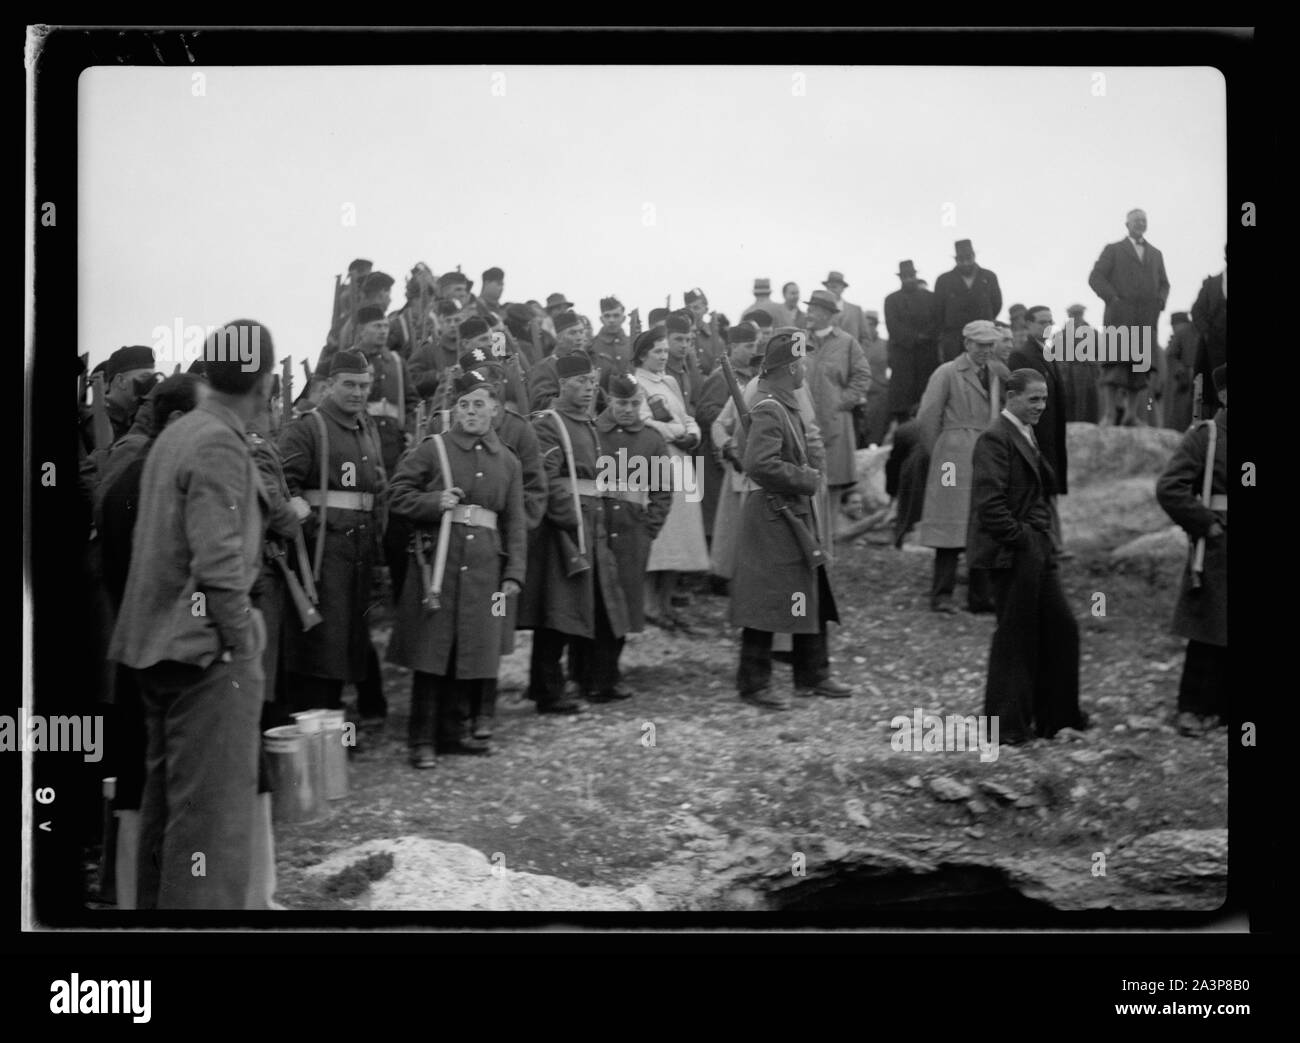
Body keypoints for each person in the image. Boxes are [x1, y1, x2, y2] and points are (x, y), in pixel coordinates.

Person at [107, 321, 276, 908]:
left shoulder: (178, 436)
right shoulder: (219, 445)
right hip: (206, 660)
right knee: (212, 831)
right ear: (264, 384)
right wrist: (244, 645)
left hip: (155, 653)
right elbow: (220, 563)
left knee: (168, 816)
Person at [387, 368, 527, 765]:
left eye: (478, 404)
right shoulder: (435, 449)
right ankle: (421, 741)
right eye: (463, 404)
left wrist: (515, 571)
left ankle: (452, 733)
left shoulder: (509, 463)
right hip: (439, 564)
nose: (470, 411)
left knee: (470, 650)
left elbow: (515, 522)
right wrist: (433, 503)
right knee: (432, 654)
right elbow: (397, 495)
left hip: (484, 567)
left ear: (495, 410)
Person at [729, 331, 853, 709]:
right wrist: (806, 479)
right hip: (773, 514)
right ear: (789, 368)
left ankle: (812, 673)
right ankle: (754, 683)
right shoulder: (770, 407)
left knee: (807, 590)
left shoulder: (781, 402)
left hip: (786, 513)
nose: (805, 371)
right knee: (765, 600)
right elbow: (756, 463)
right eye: (800, 364)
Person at [970, 367, 1086, 744]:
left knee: (1062, 628)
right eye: (1033, 399)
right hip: (1012, 552)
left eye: (1045, 399)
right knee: (1015, 636)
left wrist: (1039, 536)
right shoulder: (994, 438)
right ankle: (1005, 727)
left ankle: (1058, 718)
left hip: (1035, 548)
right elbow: (989, 506)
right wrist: (1023, 538)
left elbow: (1038, 490)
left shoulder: (1025, 433)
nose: (1041, 406)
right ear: (1011, 396)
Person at [278, 349, 387, 716]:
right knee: (323, 642)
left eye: (364, 385)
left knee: (350, 639)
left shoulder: (365, 427)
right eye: (349, 385)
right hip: (322, 552)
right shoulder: (308, 427)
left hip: (359, 549)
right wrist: (301, 513)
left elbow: (377, 490)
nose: (358, 392)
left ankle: (338, 723)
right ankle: (318, 724)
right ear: (328, 385)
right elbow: (282, 484)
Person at [518, 353, 629, 712]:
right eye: (580, 383)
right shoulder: (548, 424)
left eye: (592, 383)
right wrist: (569, 518)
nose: (588, 390)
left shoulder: (589, 424)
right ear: (562, 385)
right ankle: (547, 691)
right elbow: (544, 478)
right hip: (562, 530)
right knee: (557, 610)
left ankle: (594, 680)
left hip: (591, 524)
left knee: (595, 604)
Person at [591, 373, 674, 698]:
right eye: (620, 403)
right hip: (595, 531)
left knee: (622, 606)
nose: (627, 409)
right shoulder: (592, 433)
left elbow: (663, 490)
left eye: (633, 403)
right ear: (608, 400)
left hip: (631, 533)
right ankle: (584, 677)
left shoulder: (651, 440)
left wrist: (649, 528)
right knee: (595, 604)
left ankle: (608, 677)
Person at [1155, 365, 1227, 737]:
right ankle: (1191, 709)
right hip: (1217, 543)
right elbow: (1170, 488)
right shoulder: (1205, 436)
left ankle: (1221, 709)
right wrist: (1205, 523)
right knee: (1207, 627)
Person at [916, 320, 1005, 613]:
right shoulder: (947, 373)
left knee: (982, 523)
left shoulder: (994, 374)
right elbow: (927, 417)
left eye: (990, 345)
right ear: (967, 344)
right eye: (981, 345)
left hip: (983, 455)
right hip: (952, 458)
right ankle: (942, 595)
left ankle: (981, 597)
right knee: (949, 523)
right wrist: (940, 453)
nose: (986, 351)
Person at [631, 327, 709, 629]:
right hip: (655, 463)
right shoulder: (636, 384)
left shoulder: (671, 382)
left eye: (665, 351)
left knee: (683, 534)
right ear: (642, 356)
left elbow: (688, 417)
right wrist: (679, 433)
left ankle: (665, 602)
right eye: (657, 352)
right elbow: (645, 421)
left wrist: (693, 433)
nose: (664, 357)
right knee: (660, 534)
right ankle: (650, 604)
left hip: (682, 460)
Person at [1088, 208, 1170, 426]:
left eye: (1144, 220)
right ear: (1127, 225)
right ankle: (1109, 414)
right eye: (1136, 221)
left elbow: (1164, 283)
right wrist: (1112, 298)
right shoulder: (1114, 249)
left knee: (1139, 369)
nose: (1140, 224)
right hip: (1120, 318)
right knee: (1114, 366)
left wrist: (1159, 303)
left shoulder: (1155, 253)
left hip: (1146, 319)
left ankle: (1131, 415)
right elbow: (1095, 277)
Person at [1009, 305, 1070, 552]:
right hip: (1036, 432)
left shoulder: (1049, 352)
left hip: (1052, 432)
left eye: (1050, 321)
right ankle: (1051, 543)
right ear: (1029, 325)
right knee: (1040, 488)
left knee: (1050, 487)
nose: (1047, 326)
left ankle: (1054, 542)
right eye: (1042, 321)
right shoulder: (1021, 355)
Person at [802, 289, 873, 494]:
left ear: (826, 314)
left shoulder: (847, 342)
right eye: (808, 309)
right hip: (805, 423)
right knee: (804, 486)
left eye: (812, 310)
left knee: (832, 485)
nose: (808, 314)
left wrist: (843, 401)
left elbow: (862, 375)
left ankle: (831, 527)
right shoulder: (799, 340)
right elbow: (790, 370)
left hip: (835, 425)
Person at [696, 324, 758, 549]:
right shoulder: (721, 376)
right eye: (748, 346)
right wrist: (732, 414)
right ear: (732, 347)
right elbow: (704, 412)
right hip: (717, 456)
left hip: (736, 454)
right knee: (717, 519)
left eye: (755, 345)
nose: (753, 351)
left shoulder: (750, 375)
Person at [883, 260, 940, 423]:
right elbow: (892, 326)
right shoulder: (891, 300)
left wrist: (927, 336)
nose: (908, 279)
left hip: (927, 357)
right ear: (900, 278)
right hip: (903, 358)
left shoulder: (931, 298)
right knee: (903, 408)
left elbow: (937, 321)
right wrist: (915, 338)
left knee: (928, 403)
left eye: (911, 275)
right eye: (905, 276)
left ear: (915, 276)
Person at [933, 240, 1002, 363]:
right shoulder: (944, 280)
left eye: (968, 258)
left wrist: (984, 320)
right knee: (956, 371)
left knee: (985, 368)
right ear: (956, 259)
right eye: (961, 259)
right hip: (955, 337)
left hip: (983, 334)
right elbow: (938, 309)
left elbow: (997, 303)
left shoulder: (989, 276)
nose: (965, 263)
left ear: (974, 256)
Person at [80, 345, 157, 456]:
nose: (152, 383)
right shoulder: (94, 420)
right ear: (121, 381)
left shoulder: (136, 415)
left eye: (153, 378)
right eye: (145, 377)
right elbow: (117, 459)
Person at [1191, 247, 1227, 417]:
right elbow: (1196, 310)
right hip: (1213, 347)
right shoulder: (1211, 284)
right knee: (1211, 391)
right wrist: (1206, 333)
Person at [1060, 303, 1100, 423]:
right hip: (1068, 372)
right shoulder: (1063, 333)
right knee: (1069, 399)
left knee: (1087, 400)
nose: (1077, 318)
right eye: (1074, 315)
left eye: (1079, 315)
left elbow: (1099, 353)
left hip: (1087, 371)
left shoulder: (1092, 332)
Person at [859, 310, 891, 446]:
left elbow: (894, 367)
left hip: (879, 394)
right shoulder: (855, 345)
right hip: (858, 395)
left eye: (871, 324)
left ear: (876, 325)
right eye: (865, 324)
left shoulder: (886, 345)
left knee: (876, 436)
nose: (868, 328)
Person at [1163, 311, 1199, 431]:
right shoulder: (1200, 330)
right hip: (1200, 377)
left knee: (1181, 416)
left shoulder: (1181, 334)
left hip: (1185, 380)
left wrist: (1182, 370)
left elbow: (1170, 355)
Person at [684, 287, 725, 377]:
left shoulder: (716, 339)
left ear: (706, 310)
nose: (691, 311)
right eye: (688, 308)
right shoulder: (682, 336)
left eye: (696, 308)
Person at [822, 270, 867, 344]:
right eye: (828, 287)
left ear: (842, 288)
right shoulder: (818, 310)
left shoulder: (856, 311)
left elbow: (866, 339)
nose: (831, 290)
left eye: (834, 287)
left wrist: (857, 353)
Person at [592, 296, 633, 370]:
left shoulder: (633, 344)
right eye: (607, 316)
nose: (611, 320)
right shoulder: (591, 345)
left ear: (623, 319)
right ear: (601, 319)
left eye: (616, 316)